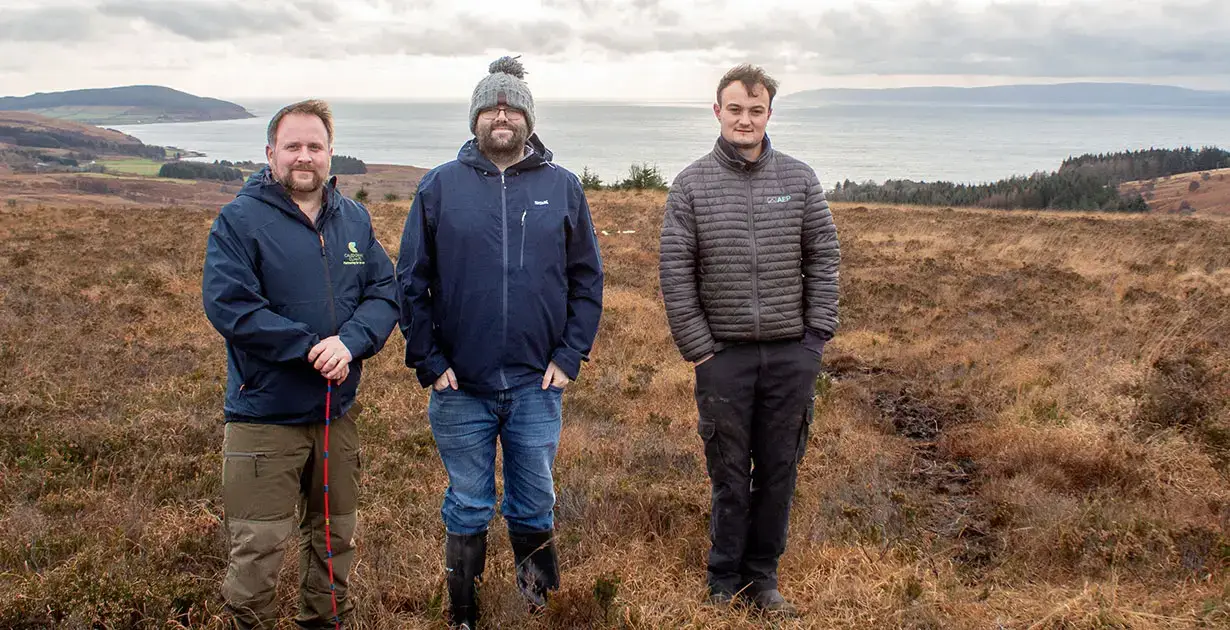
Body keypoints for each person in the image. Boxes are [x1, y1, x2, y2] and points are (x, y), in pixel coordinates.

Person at [396, 57, 604, 629]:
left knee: (534, 502)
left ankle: (538, 611)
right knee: (467, 503)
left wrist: (570, 355)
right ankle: (464, 616)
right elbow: (410, 281)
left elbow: (587, 280)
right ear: (475, 119)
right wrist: (428, 361)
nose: (502, 116)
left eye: (512, 108)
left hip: (537, 384)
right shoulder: (440, 186)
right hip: (460, 387)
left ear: (529, 119)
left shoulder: (562, 187)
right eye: (491, 108)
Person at [202, 99, 399, 629]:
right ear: (270, 153)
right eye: (293, 146)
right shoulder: (239, 221)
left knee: (334, 542)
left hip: (336, 415)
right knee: (258, 550)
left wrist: (351, 343)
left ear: (331, 153)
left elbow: (384, 291)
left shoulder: (353, 219)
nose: (304, 156)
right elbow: (231, 307)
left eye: (315, 146)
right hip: (264, 418)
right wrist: (312, 348)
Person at [658, 64, 841, 616]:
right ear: (718, 111)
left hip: (790, 355)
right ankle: (722, 579)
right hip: (724, 358)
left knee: (779, 472)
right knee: (730, 475)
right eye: (735, 109)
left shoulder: (800, 180)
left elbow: (824, 258)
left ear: (769, 114)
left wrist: (814, 340)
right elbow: (675, 272)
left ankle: (762, 578)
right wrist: (701, 351)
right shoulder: (691, 185)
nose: (745, 120)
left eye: (755, 110)